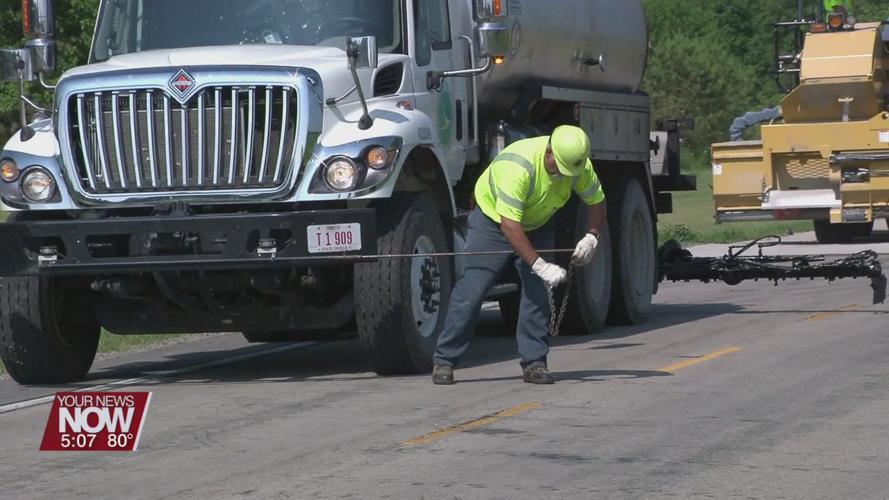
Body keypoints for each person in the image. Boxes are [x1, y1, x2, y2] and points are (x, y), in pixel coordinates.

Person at [432, 125, 607, 385]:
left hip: (537, 223)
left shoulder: (577, 165)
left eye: (568, 171)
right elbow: (509, 227)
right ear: (549, 151)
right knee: (474, 288)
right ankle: (444, 360)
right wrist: (539, 264)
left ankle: (535, 363)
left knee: (537, 293)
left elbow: (597, 201)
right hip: (494, 223)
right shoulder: (520, 167)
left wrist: (592, 236)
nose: (562, 174)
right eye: (558, 167)